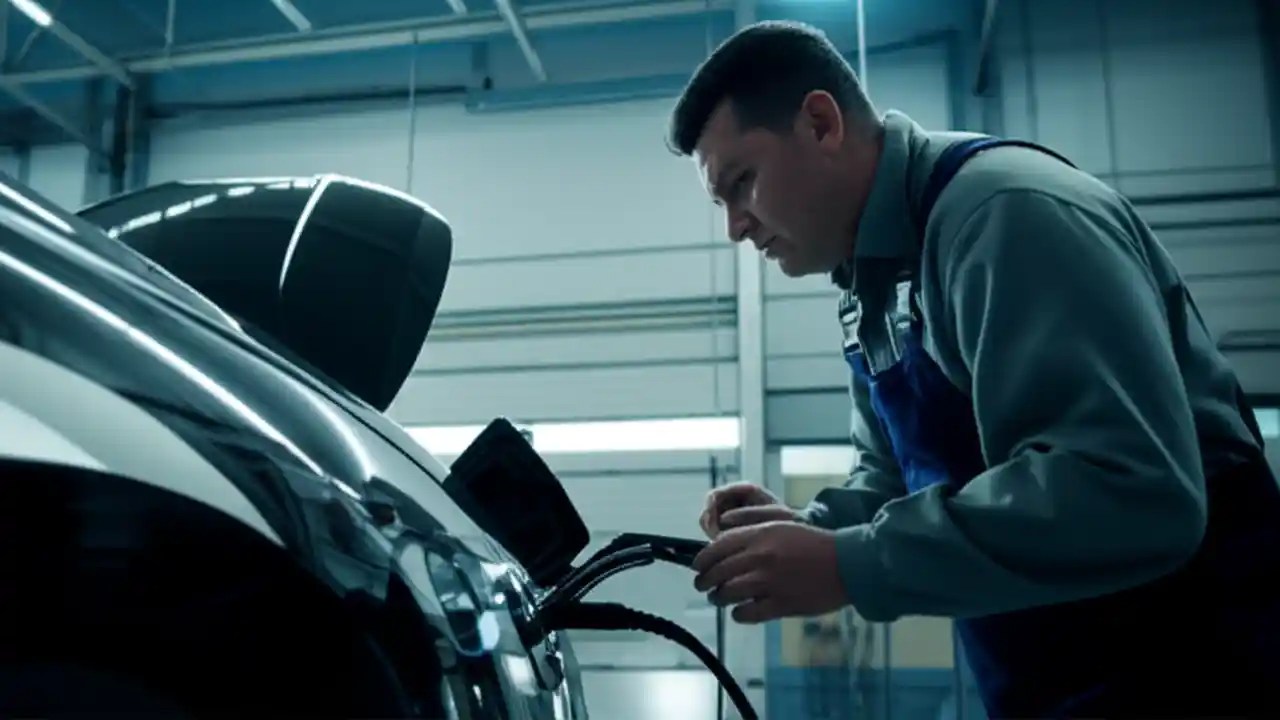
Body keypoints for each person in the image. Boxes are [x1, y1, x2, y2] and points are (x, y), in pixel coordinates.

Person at [665, 19, 1280, 718]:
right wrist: (811, 533)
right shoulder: (874, 283)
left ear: (819, 122)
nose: (735, 228)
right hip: (1054, 684)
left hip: (1198, 672)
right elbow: (898, 479)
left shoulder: (1003, 216)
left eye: (741, 183)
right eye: (722, 204)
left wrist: (849, 565)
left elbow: (1130, 489)